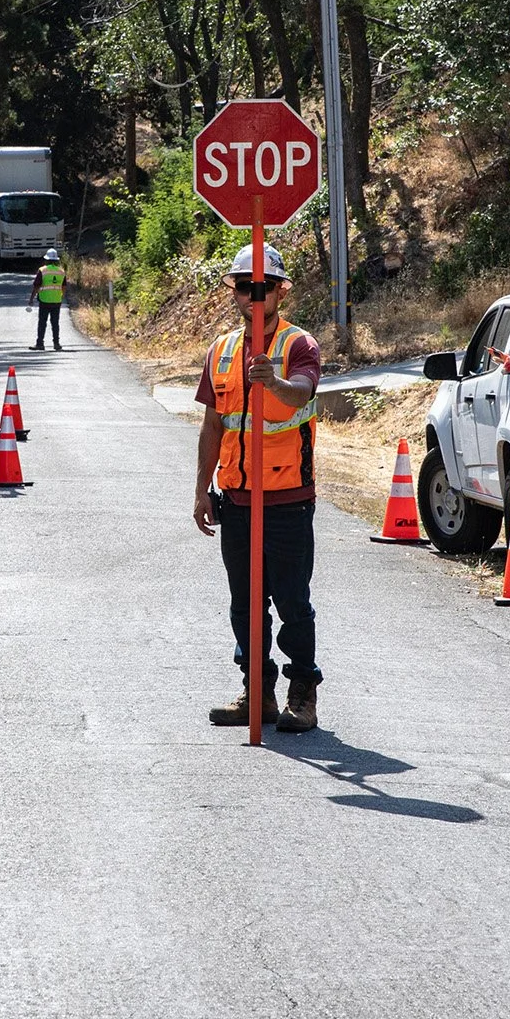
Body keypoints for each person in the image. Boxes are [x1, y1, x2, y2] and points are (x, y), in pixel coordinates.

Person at [190, 244, 321, 732]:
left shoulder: (298, 345)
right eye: (245, 286)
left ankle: (302, 693)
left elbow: (302, 393)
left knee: (292, 604)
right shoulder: (221, 350)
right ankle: (257, 693)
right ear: (235, 293)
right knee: (245, 605)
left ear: (281, 291)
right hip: (238, 502)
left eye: (262, 286)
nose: (253, 295)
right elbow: (213, 425)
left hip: (288, 501)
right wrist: (201, 490)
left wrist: (274, 383)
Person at [33, 247, 67, 350]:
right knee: (55, 323)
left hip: (44, 300)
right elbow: (64, 286)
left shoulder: (42, 270)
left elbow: (36, 286)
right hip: (56, 301)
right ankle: (56, 343)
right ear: (56, 260)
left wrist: (31, 298)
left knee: (42, 323)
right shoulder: (61, 271)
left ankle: (40, 344)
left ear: (46, 260)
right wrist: (61, 296)